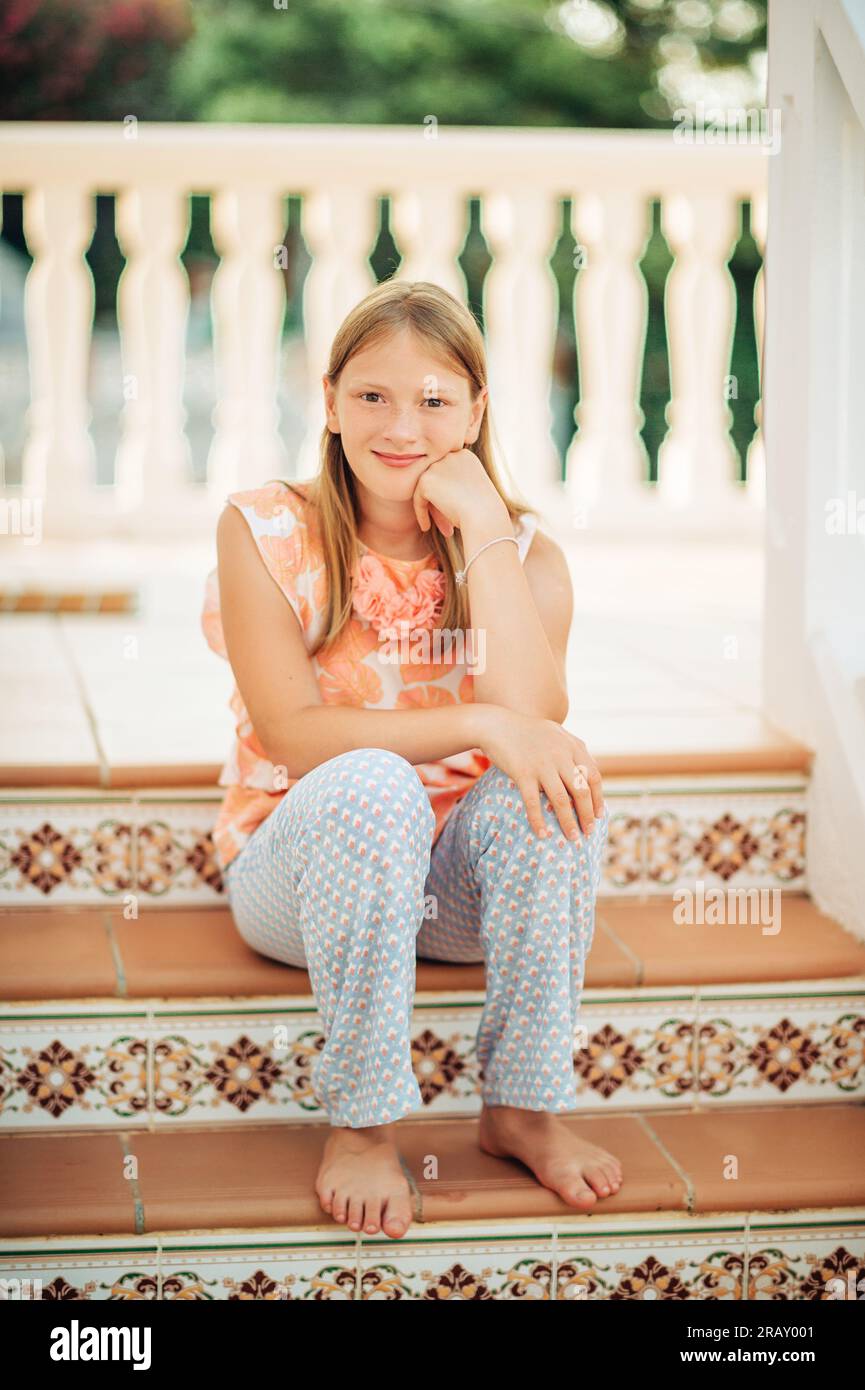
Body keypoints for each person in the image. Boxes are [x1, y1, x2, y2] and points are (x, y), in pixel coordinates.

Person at [201, 279, 620, 1242]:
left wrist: (483, 530)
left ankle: (521, 1105)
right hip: (302, 869)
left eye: (435, 400)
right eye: (373, 397)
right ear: (331, 401)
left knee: (547, 789)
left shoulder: (527, 554)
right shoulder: (266, 529)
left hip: (453, 891)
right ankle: (360, 1124)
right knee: (372, 784)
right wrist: (477, 722)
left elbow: (537, 720)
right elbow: (295, 734)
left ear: (476, 410)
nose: (402, 426)